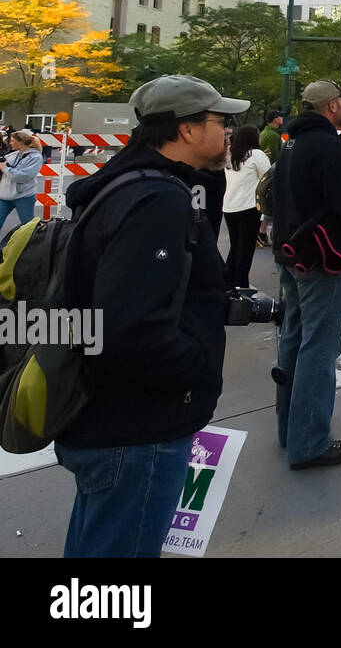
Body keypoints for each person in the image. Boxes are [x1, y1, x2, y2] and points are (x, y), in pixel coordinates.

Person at [55, 74, 248, 556]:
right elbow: (130, 327)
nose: (228, 131)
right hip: (138, 426)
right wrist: (195, 367)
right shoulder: (158, 199)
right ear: (184, 129)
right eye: (221, 121)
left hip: (108, 418)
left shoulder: (125, 184)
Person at [271, 79, 341, 471]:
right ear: (330, 106)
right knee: (320, 347)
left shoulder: (290, 144)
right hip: (323, 259)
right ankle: (309, 441)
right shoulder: (328, 147)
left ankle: (289, 429)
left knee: (293, 338)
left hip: (290, 255)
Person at [223, 125, 271, 288]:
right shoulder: (256, 154)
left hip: (229, 207)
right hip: (249, 207)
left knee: (235, 247)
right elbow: (268, 176)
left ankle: (229, 284)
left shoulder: (231, 155)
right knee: (246, 250)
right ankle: (241, 287)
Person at [0, 128, 43, 232]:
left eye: (13, 141)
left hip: (24, 197)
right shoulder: (13, 155)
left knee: (27, 227)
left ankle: (31, 247)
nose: (10, 143)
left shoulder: (36, 157)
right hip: (4, 196)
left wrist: (4, 168)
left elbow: (23, 176)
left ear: (21, 142)